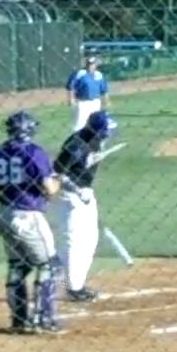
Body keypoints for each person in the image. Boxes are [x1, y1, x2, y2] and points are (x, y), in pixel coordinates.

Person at [0, 111, 64, 334]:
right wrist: (59, 181)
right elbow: (49, 188)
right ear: (30, 130)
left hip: (3, 216)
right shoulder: (34, 152)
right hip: (28, 216)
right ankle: (44, 319)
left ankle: (19, 320)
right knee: (50, 265)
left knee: (18, 265)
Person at [51, 110, 117, 303]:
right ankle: (72, 288)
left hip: (85, 194)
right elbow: (56, 173)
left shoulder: (95, 141)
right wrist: (77, 190)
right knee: (73, 241)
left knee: (90, 239)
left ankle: (73, 282)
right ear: (95, 130)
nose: (107, 135)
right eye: (105, 131)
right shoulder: (75, 146)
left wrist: (85, 190)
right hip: (70, 196)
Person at [66, 55, 109, 132]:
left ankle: (93, 142)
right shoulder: (80, 73)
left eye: (93, 64)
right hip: (83, 103)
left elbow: (104, 90)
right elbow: (70, 86)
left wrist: (106, 101)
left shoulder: (99, 75)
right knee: (80, 124)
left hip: (96, 102)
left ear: (96, 65)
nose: (90, 66)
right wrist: (71, 99)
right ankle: (77, 140)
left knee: (95, 124)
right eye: (89, 64)